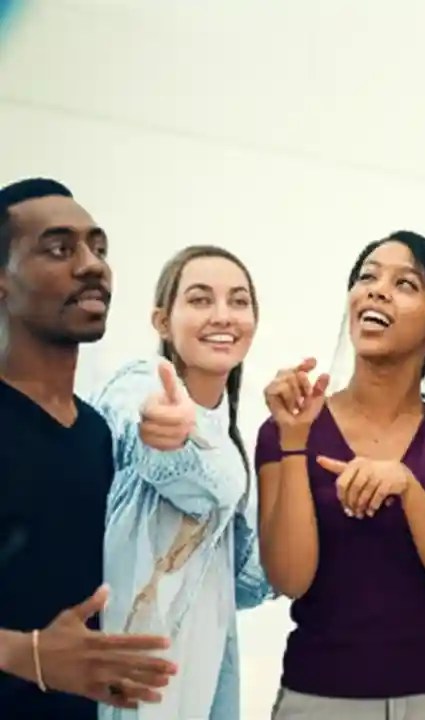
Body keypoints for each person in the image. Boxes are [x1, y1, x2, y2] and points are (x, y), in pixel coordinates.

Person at [255, 231, 425, 719]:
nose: (377, 290)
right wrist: (294, 440)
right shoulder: (285, 427)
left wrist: (408, 489)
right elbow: (290, 578)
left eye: (405, 283)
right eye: (367, 276)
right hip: (319, 696)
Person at [0, 178, 177, 717]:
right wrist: (23, 652)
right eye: (59, 248)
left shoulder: (96, 432)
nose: (91, 265)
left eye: (98, 248)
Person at [90, 245, 274, 720]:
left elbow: (253, 584)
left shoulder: (237, 441)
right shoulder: (139, 384)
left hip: (202, 684)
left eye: (238, 301)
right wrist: (162, 432)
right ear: (161, 321)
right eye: (199, 299)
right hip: (123, 686)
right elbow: (153, 440)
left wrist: (297, 459)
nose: (223, 316)